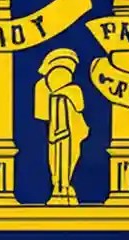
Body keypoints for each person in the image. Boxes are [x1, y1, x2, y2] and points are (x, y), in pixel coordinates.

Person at [33, 48, 89, 206]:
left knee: (72, 156)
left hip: (74, 131)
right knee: (55, 159)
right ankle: (59, 186)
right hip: (55, 133)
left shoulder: (74, 90)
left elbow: (79, 107)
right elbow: (42, 114)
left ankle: (65, 184)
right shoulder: (41, 88)